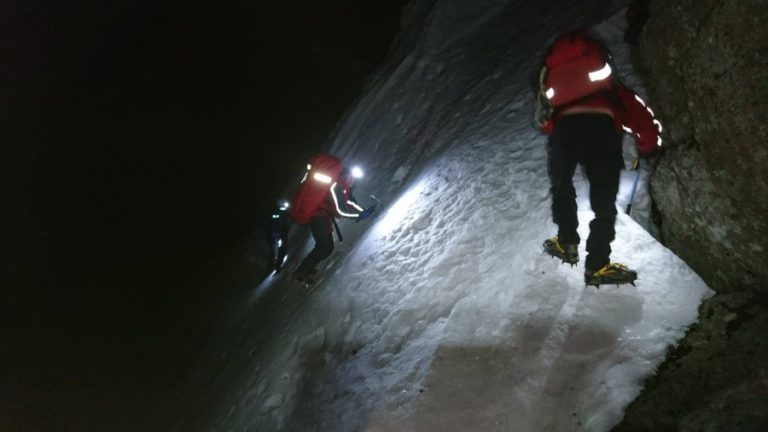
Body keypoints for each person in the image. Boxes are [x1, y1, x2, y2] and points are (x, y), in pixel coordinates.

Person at [536, 30, 662, 286]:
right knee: (603, 202)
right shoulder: (612, 91)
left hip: (564, 131)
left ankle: (567, 243)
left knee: (562, 186)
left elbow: (546, 123)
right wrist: (648, 146)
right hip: (602, 131)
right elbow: (642, 118)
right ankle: (597, 265)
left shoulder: (557, 89)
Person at [289, 156, 375, 285]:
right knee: (325, 247)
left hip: (323, 217)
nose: (353, 181)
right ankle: (301, 272)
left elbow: (349, 203)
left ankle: (306, 269)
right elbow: (340, 209)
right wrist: (359, 215)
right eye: (352, 177)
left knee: (326, 247)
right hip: (318, 217)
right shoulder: (337, 185)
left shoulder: (343, 187)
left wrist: (362, 211)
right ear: (347, 175)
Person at [267, 199, 292, 273]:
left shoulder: (284, 213)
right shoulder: (275, 213)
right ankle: (276, 266)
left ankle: (277, 265)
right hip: (277, 234)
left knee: (282, 249)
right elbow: (273, 224)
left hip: (282, 233)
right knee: (280, 250)